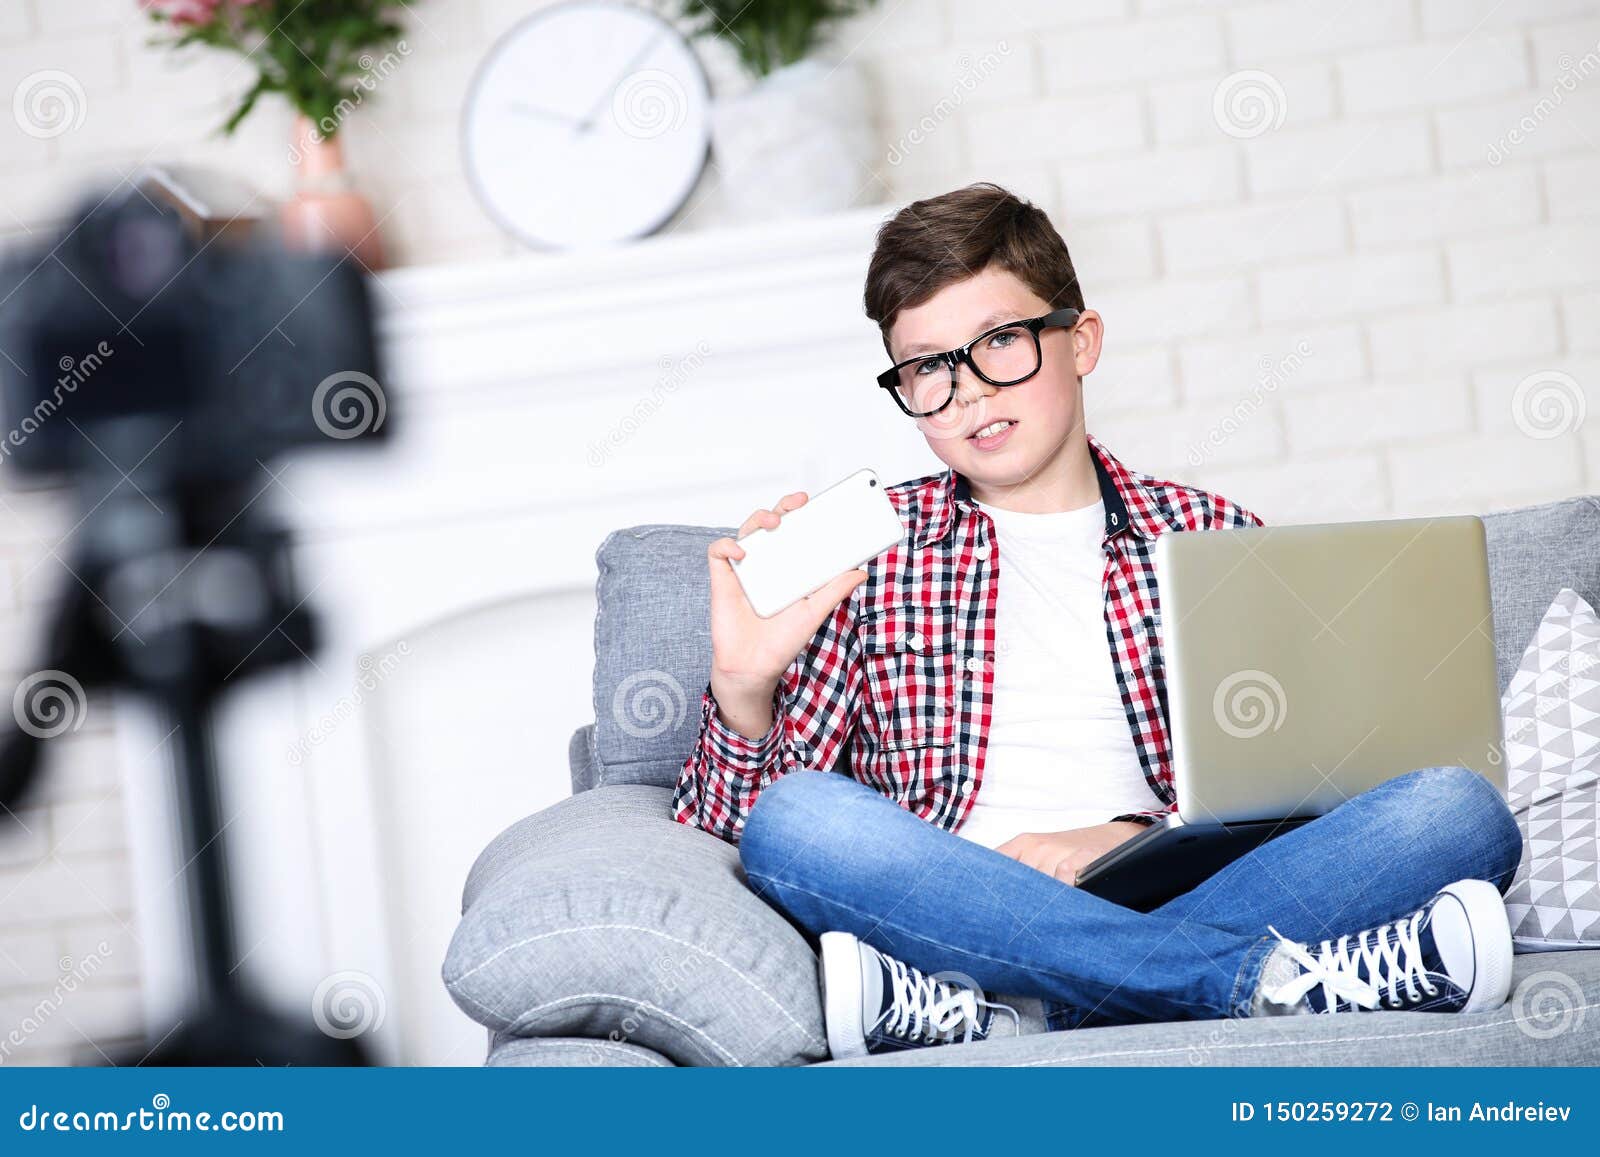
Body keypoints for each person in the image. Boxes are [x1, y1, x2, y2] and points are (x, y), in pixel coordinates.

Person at [672, 183, 1523, 1059]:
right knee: (797, 817)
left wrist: (1118, 839)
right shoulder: (867, 550)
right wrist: (743, 690)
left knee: (1459, 810)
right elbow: (738, 845)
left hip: (1175, 890)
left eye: (999, 341)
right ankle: (1245, 983)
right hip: (957, 908)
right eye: (929, 367)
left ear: (1080, 342)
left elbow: (1295, 798)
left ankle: (1028, 1009)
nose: (966, 393)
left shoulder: (1209, 533)